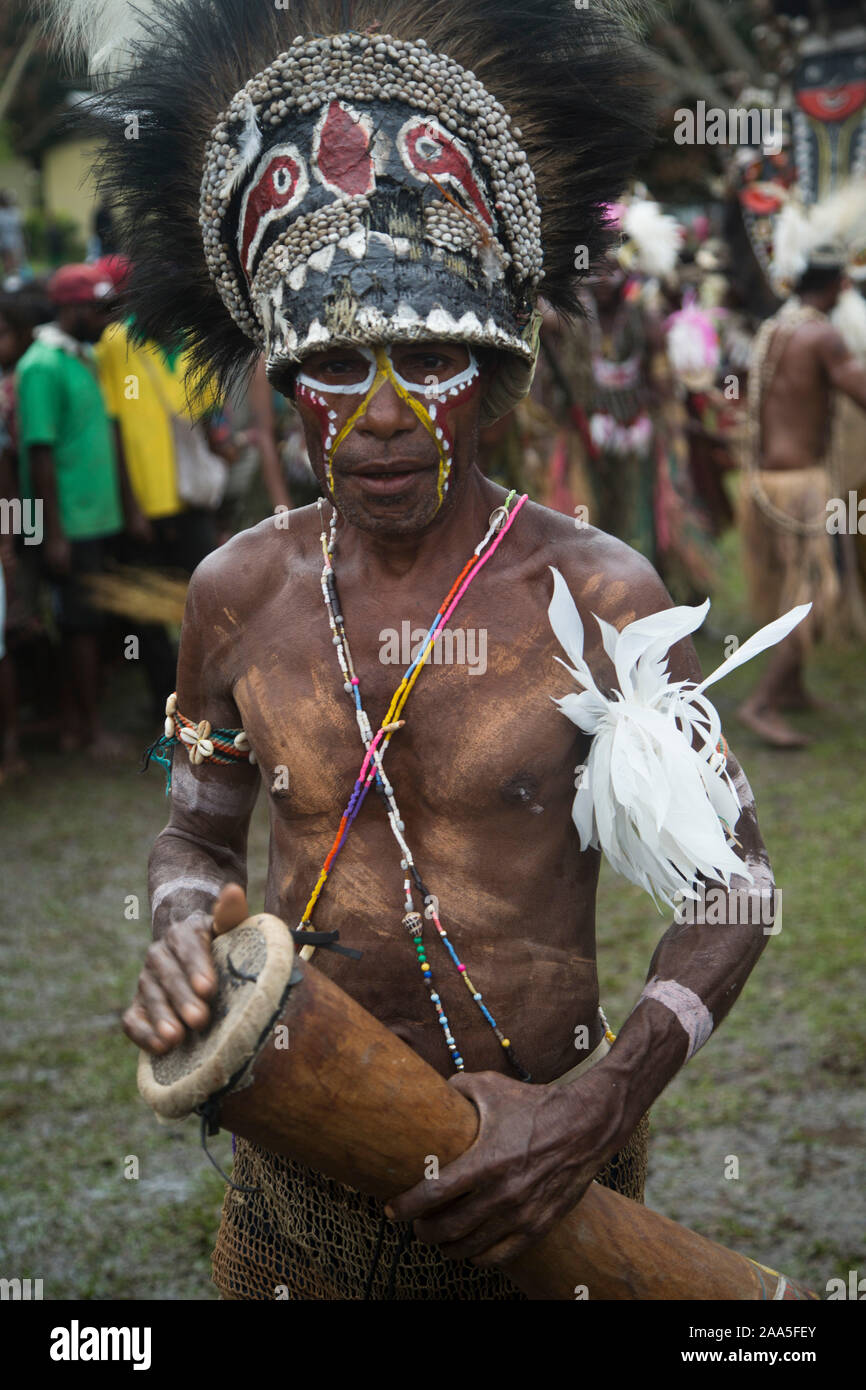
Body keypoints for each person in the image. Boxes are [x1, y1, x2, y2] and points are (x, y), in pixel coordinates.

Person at [68, 0, 798, 1301]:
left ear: (490, 376)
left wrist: (595, 1105)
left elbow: (733, 885)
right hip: (298, 1184)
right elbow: (194, 834)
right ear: (287, 389)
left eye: (425, 357)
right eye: (337, 365)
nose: (385, 413)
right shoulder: (234, 593)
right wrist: (181, 930)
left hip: (546, 1184)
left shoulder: (596, 591)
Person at [15, 263, 149, 753]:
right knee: (79, 628)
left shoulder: (84, 358)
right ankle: (88, 731)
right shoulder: (41, 366)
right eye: (98, 309)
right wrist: (52, 534)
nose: (106, 319)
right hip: (69, 525)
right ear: (72, 310)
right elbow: (39, 452)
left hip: (96, 519)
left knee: (92, 624)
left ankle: (77, 722)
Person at [738, 259, 866, 748]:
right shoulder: (822, 336)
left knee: (794, 587)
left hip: (767, 480)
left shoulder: (776, 328)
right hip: (801, 488)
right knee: (814, 596)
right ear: (840, 285)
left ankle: (790, 688)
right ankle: (762, 703)